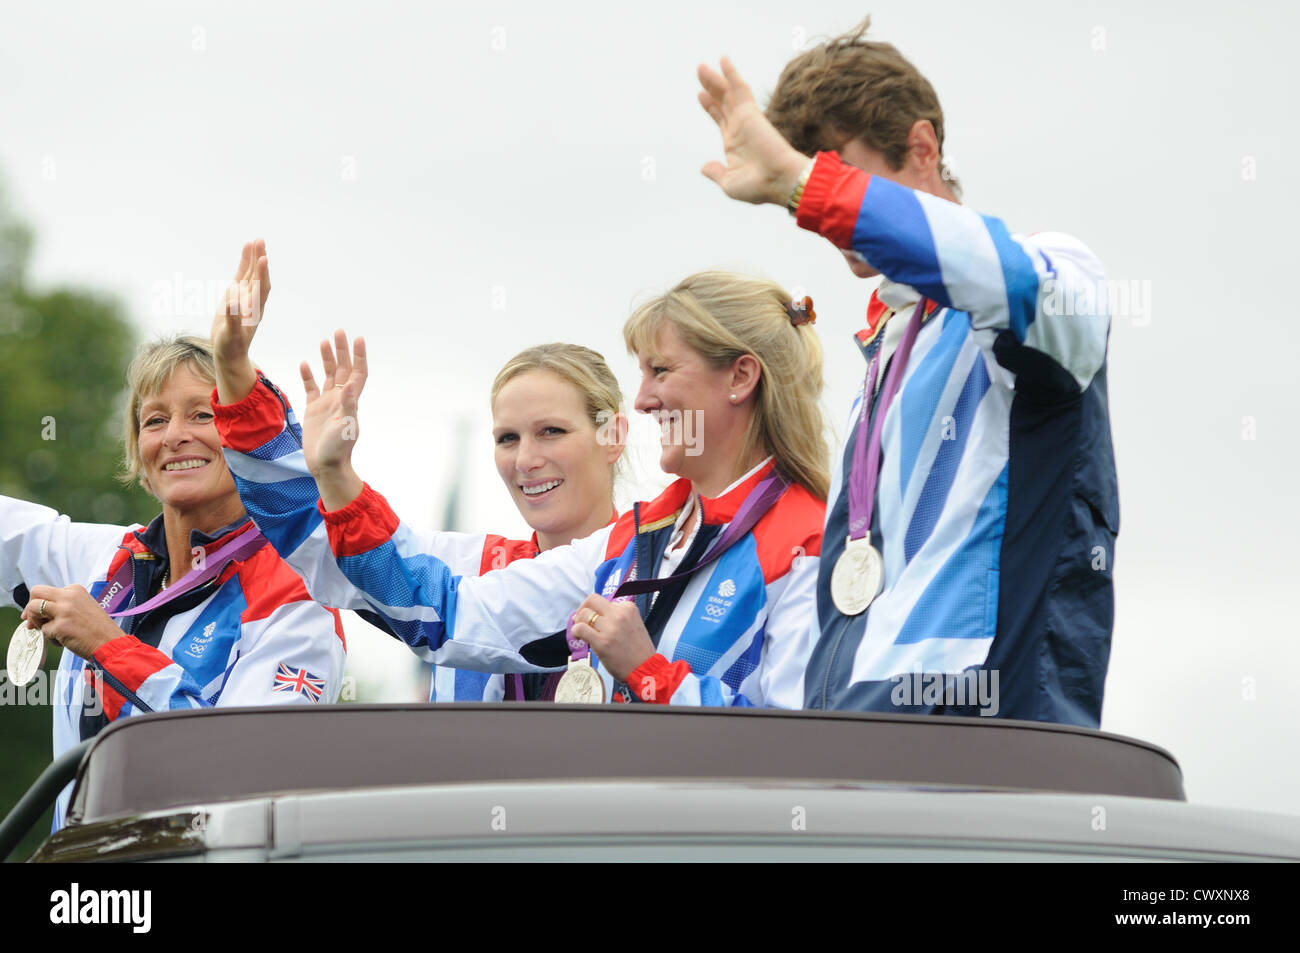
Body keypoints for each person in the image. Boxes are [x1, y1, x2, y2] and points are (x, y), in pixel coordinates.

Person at [695, 17, 1118, 727]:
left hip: (984, 745)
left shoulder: (1052, 271)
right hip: (863, 740)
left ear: (922, 148)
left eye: (842, 171)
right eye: (812, 180)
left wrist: (807, 185)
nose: (821, 215)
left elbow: (1001, 278)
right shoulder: (889, 344)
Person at [215, 270, 828, 707]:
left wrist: (649, 675)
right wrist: (324, 467)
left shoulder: (807, 539)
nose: (642, 398)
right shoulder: (636, 541)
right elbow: (429, 603)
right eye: (507, 438)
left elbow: (812, 752)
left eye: (660, 371)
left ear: (741, 377)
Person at [1, 246, 346, 828]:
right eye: (155, 420)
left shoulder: (298, 598)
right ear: (139, 450)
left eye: (204, 415)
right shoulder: (105, 560)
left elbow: (242, 772)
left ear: (244, 437)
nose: (176, 435)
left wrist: (111, 648)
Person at [211, 273, 628, 700]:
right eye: (508, 438)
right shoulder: (473, 568)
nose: (524, 460)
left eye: (552, 431)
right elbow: (328, 545)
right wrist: (236, 380)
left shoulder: (660, 568)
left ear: (613, 435)